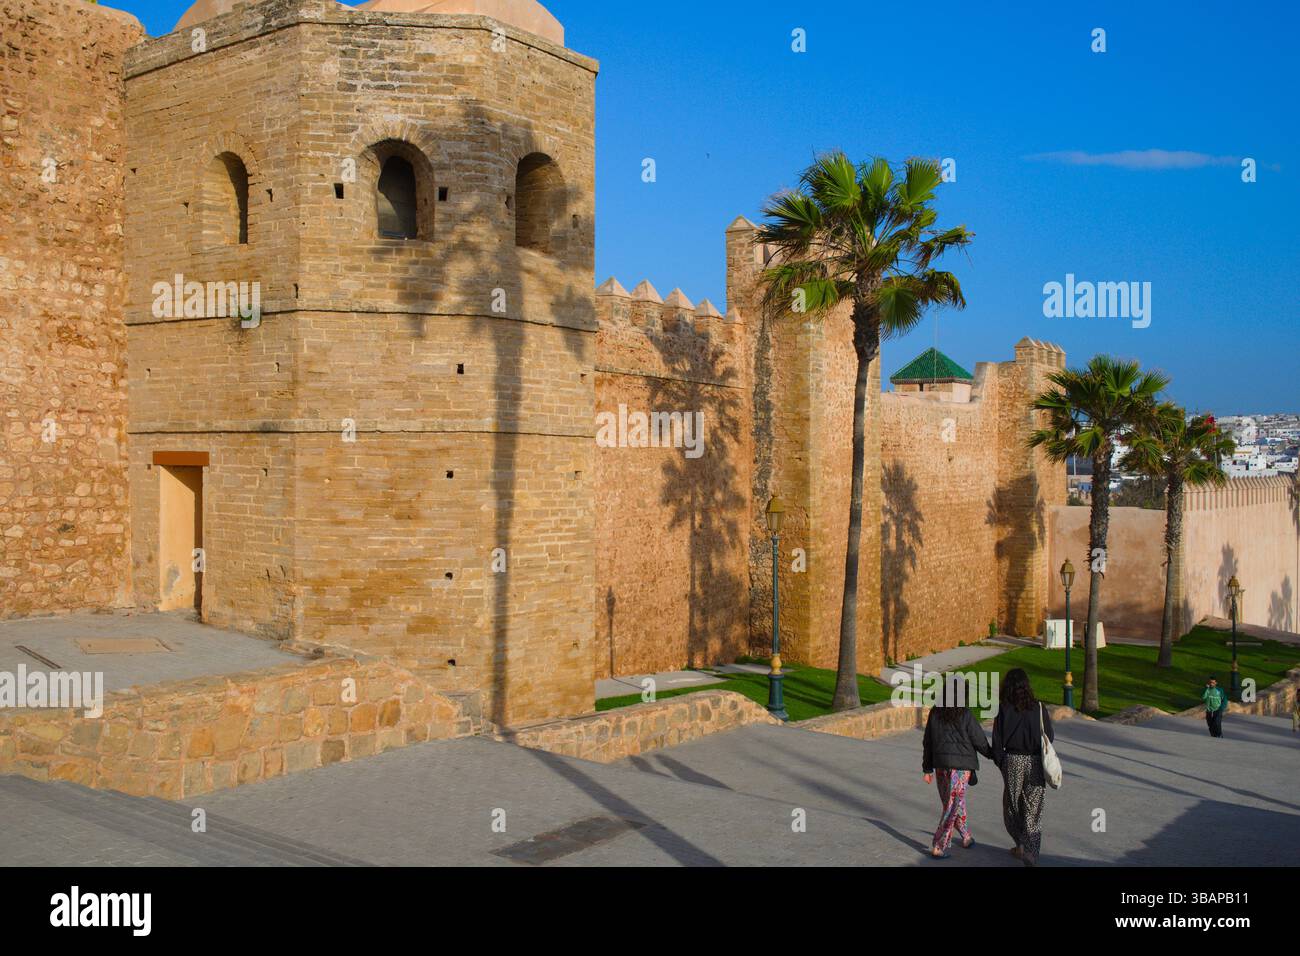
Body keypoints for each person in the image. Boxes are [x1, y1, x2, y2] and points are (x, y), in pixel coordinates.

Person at [921, 680, 993, 859]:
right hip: (960, 769)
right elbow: (979, 739)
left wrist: (927, 768)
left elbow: (927, 743)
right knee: (952, 805)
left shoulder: (935, 712)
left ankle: (966, 837)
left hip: (941, 766)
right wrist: (992, 754)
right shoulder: (965, 714)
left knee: (953, 803)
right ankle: (939, 845)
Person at [991, 668, 1054, 867]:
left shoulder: (1002, 709)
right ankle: (1031, 852)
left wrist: (1002, 762)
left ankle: (1020, 844)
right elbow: (1049, 737)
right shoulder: (1039, 708)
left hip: (1012, 760)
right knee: (1033, 809)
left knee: (1012, 806)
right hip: (1035, 761)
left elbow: (996, 741)